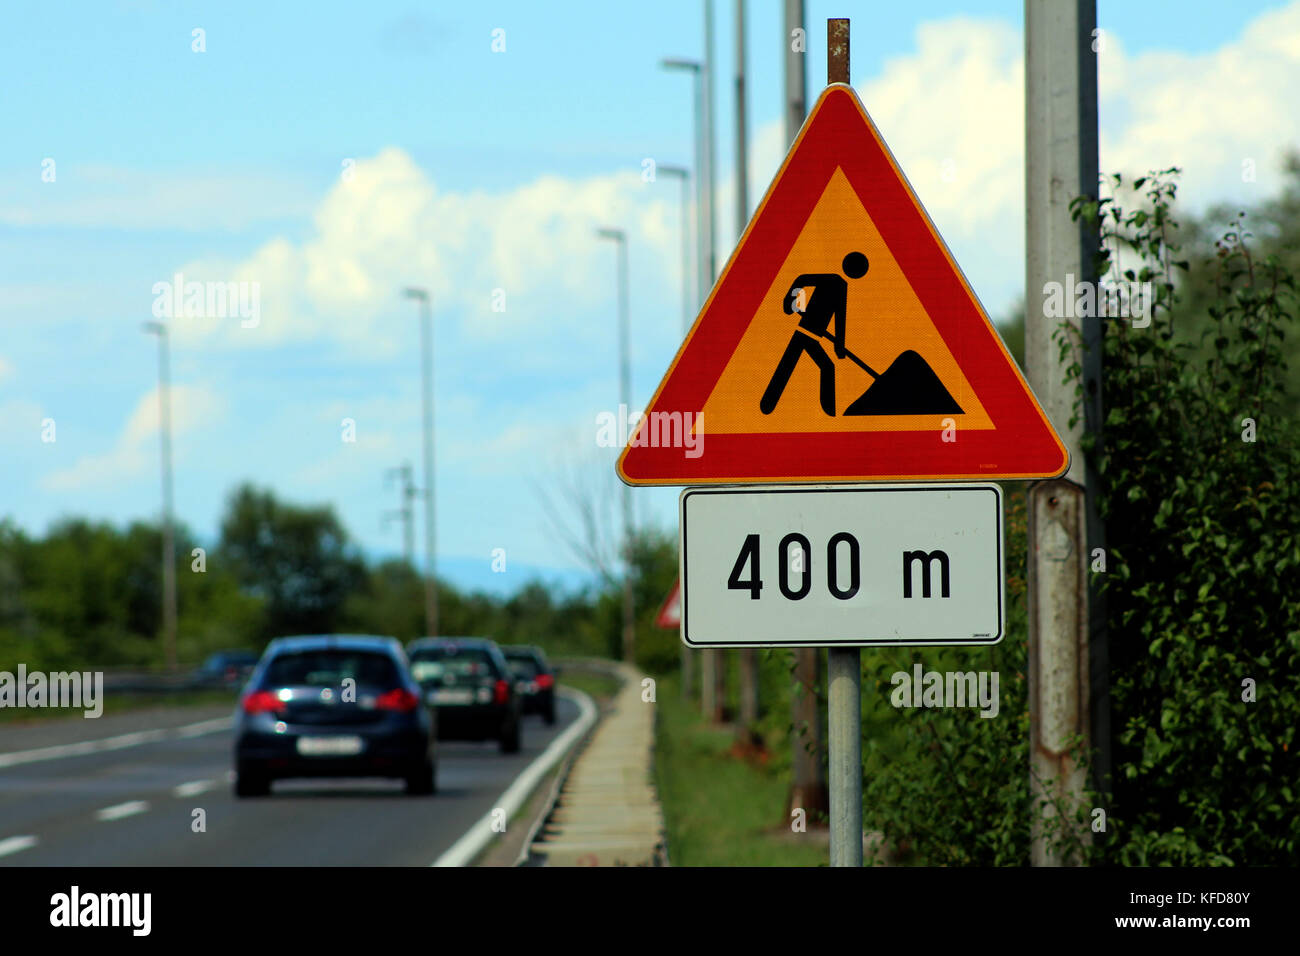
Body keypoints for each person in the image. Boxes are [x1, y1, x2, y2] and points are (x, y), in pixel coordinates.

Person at [759, 251, 869, 416]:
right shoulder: (833, 280)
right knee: (820, 367)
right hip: (805, 332)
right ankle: (829, 413)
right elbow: (802, 279)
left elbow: (840, 318)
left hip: (811, 335)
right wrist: (789, 300)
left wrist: (839, 345)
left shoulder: (841, 285)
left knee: (790, 365)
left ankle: (767, 406)